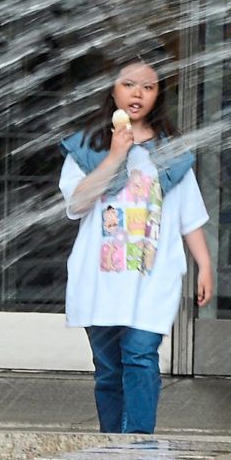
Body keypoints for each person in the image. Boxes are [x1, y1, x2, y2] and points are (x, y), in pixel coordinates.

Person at [58, 51, 212, 435]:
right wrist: (114, 156)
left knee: (141, 356)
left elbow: (188, 215)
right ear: (112, 90)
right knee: (109, 369)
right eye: (129, 84)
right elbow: (76, 204)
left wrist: (205, 265)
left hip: (153, 275)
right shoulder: (87, 146)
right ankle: (112, 445)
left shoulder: (170, 152)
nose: (138, 94)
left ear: (159, 94)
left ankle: (138, 447)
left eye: (148, 86)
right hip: (100, 277)